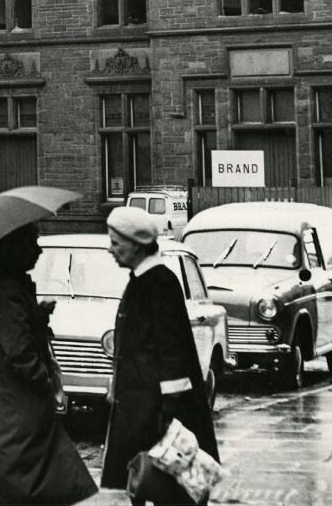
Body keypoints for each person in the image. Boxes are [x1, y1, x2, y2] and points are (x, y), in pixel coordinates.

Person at [0, 222, 96, 506]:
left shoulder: (2, 284)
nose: (38, 250)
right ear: (13, 247)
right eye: (32, 242)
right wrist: (48, 383)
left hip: (5, 418)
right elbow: (19, 353)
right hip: (14, 421)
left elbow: (10, 334)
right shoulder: (6, 289)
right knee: (49, 488)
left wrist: (36, 316)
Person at [100, 206, 220, 505]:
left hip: (153, 415)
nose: (111, 249)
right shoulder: (144, 280)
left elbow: (171, 354)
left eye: (117, 243)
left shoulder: (158, 283)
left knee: (159, 490)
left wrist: (168, 414)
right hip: (142, 410)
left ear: (138, 244)